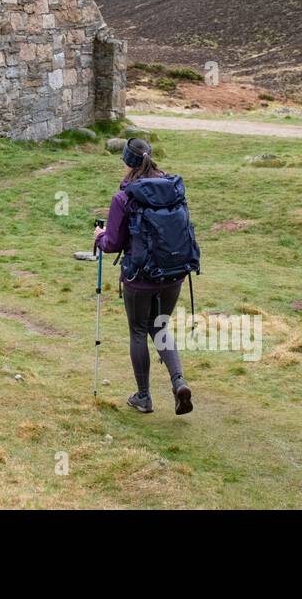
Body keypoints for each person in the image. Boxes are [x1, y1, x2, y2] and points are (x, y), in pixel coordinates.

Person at [94, 138, 194, 415]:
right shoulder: (173, 189)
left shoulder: (124, 197)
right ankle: (179, 381)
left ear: (127, 162)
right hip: (174, 273)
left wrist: (100, 238)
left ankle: (143, 397)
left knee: (138, 330)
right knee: (160, 326)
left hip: (140, 277)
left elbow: (113, 243)